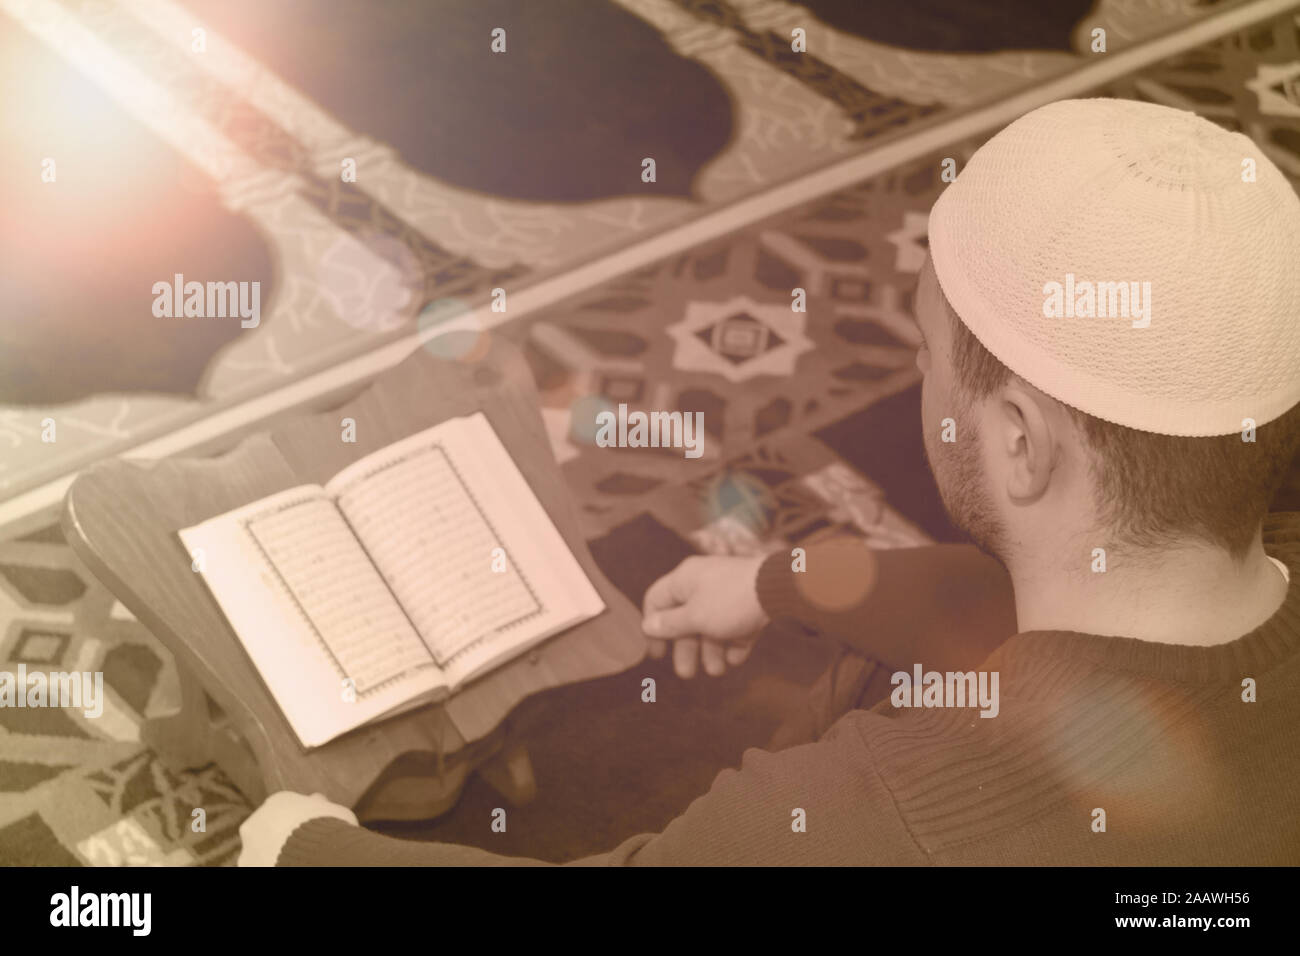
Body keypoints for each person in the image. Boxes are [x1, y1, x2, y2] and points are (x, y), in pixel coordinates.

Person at [239, 97, 1300, 866]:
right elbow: (1067, 639)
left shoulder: (852, 820)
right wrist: (782, 582)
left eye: (922, 350)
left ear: (1019, 443)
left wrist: (301, 849)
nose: (919, 370)